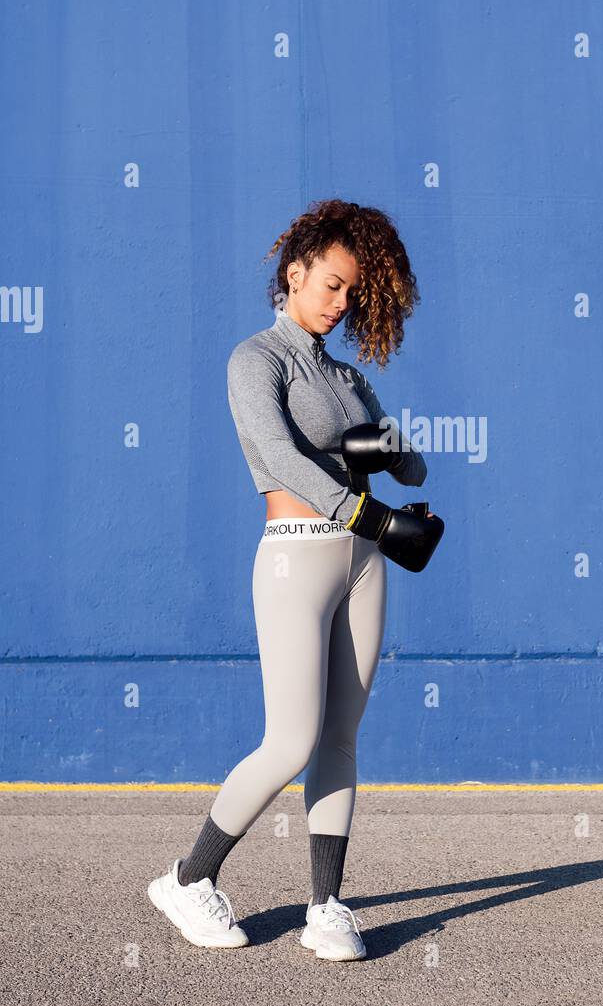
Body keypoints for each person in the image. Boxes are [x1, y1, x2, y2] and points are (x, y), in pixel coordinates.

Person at [147, 198, 435, 962]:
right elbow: (277, 457)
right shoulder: (256, 358)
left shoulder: (346, 373)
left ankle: (327, 906)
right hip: (296, 553)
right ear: (295, 271)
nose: (341, 304)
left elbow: (411, 465)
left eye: (352, 293)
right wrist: (367, 511)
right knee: (290, 738)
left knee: (340, 737)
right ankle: (187, 877)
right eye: (331, 285)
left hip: (363, 564)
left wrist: (388, 449)